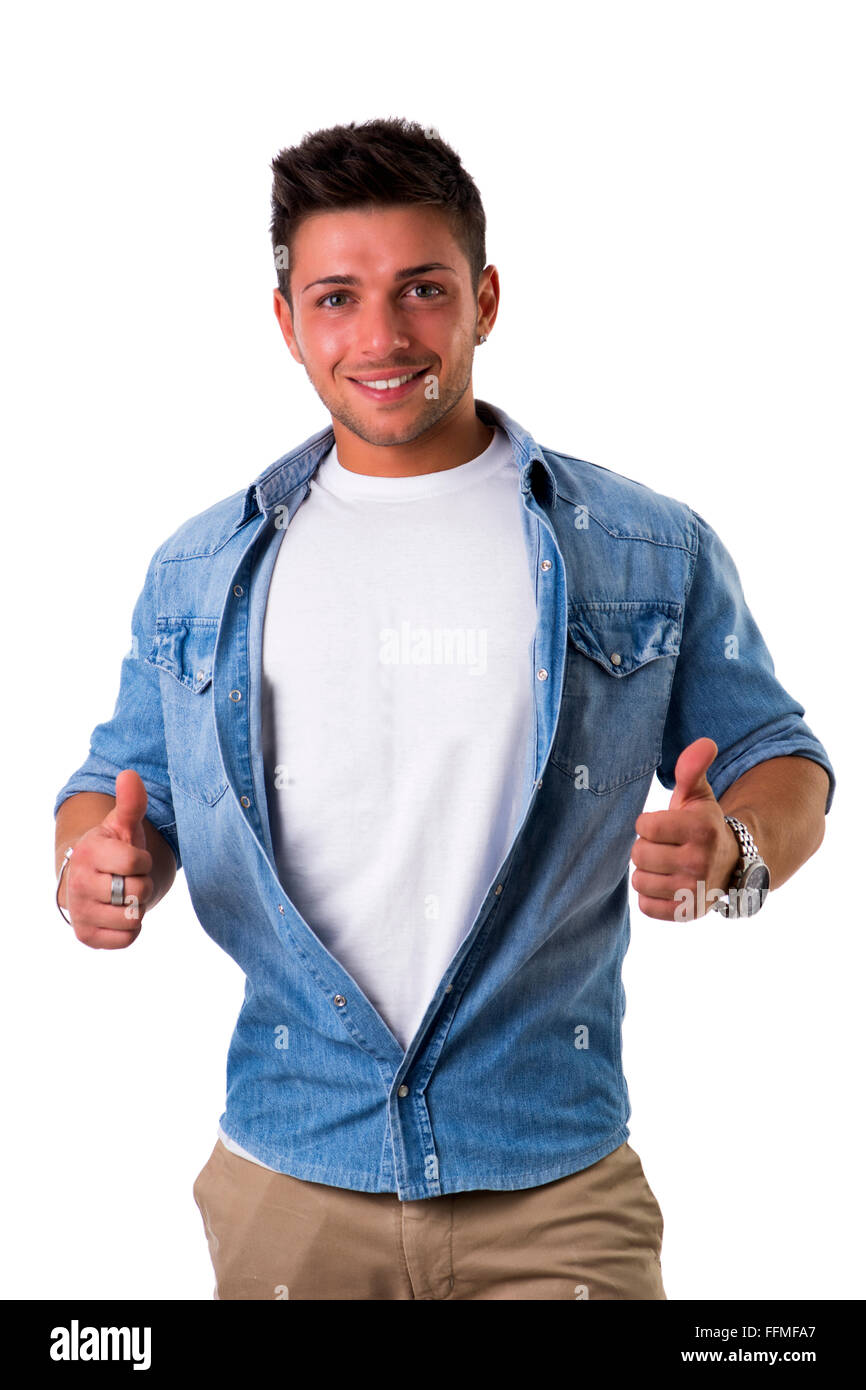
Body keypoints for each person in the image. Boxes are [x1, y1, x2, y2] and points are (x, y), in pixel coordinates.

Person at [53, 117, 835, 1301]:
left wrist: (734, 851)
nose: (379, 335)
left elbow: (779, 757)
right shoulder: (198, 568)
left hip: (554, 1188)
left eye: (420, 290)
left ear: (484, 299)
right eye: (335, 297)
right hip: (289, 1180)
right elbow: (123, 787)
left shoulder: (640, 546)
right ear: (285, 323)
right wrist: (99, 861)